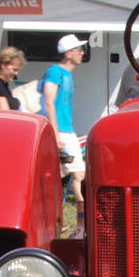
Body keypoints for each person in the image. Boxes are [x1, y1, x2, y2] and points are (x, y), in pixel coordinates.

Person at [42, 34, 87, 217]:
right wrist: (55, 133)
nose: (82, 53)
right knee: (77, 174)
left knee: (75, 174)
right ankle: (80, 218)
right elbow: (49, 101)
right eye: (79, 50)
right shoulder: (55, 72)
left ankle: (76, 218)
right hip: (61, 132)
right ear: (68, 53)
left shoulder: (66, 74)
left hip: (67, 130)